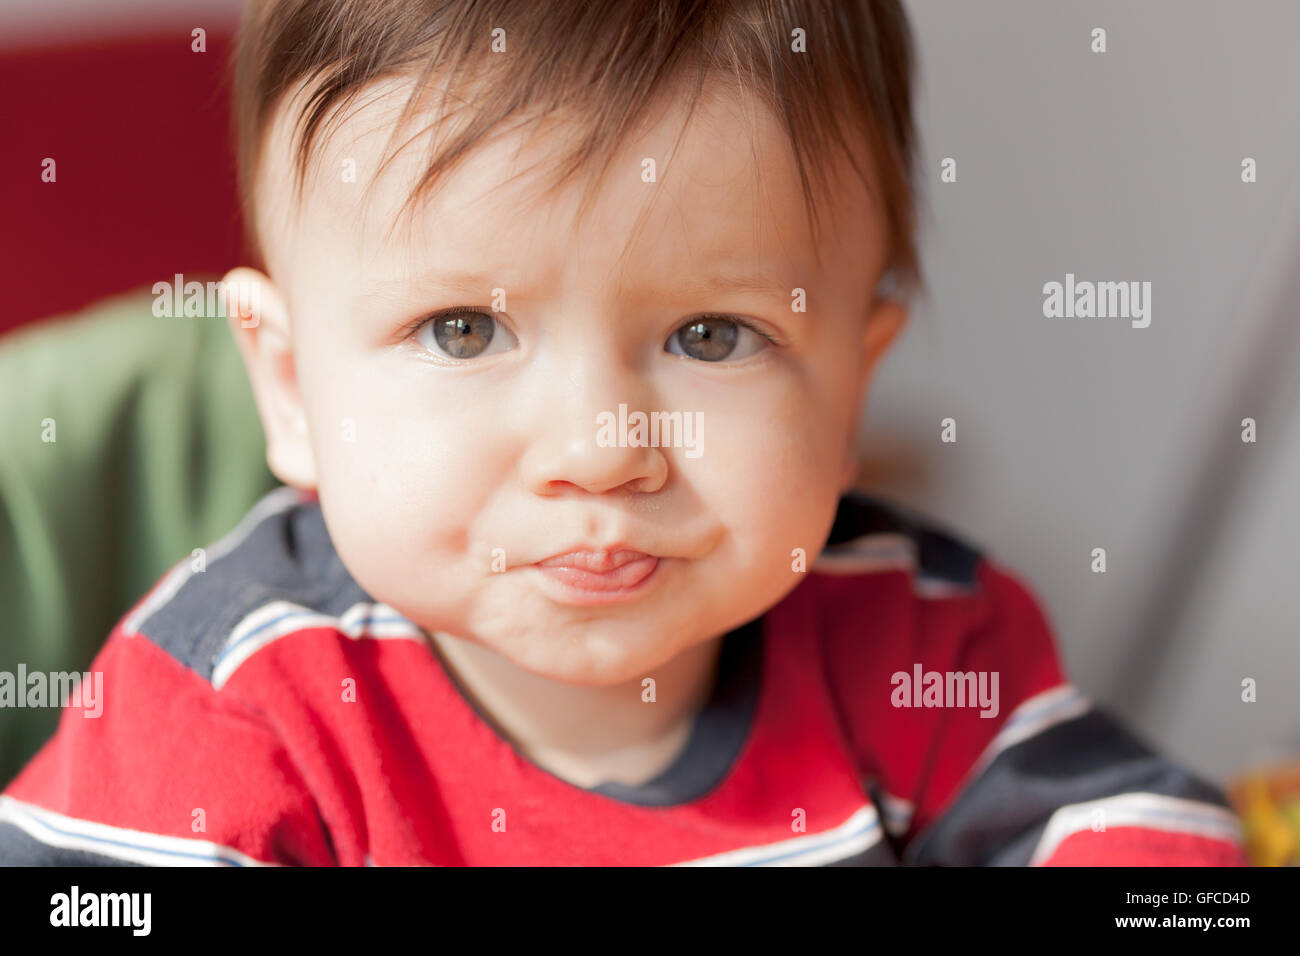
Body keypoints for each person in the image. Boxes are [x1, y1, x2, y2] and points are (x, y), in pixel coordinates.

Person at [0, 0, 1246, 865]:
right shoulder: (228, 711)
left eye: (711, 336)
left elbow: (1142, 834)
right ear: (287, 387)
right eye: (462, 331)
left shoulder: (917, 641)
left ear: (849, 385)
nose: (600, 448)